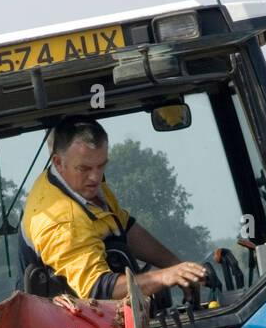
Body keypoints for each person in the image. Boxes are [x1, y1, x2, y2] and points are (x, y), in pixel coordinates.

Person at [18, 117, 207, 300]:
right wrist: (164, 277)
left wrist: (178, 268)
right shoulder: (61, 220)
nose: (95, 177)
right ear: (58, 163)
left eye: (101, 166)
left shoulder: (82, 186)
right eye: (84, 168)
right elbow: (97, 289)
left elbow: (123, 227)